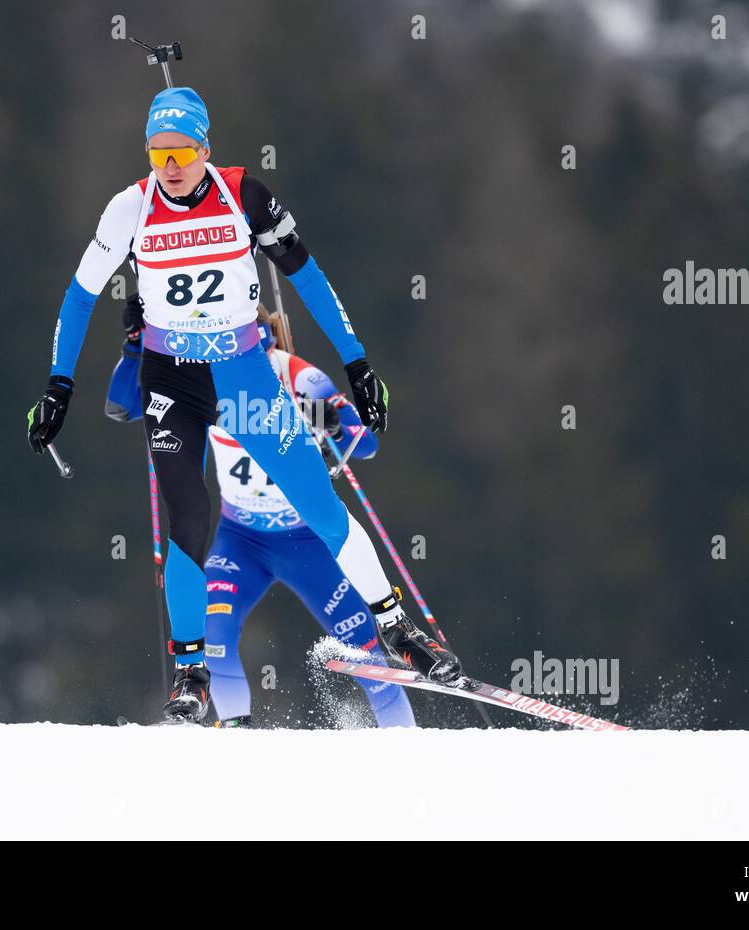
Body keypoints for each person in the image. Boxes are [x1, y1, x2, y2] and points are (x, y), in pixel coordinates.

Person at [27, 85, 460, 722]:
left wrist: (358, 362)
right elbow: (78, 297)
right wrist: (58, 385)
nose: (169, 165)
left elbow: (307, 275)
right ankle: (190, 674)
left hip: (242, 375)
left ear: (205, 148)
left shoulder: (244, 196)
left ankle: (396, 628)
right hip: (172, 378)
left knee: (320, 503)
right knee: (188, 519)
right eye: (156, 152)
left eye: (180, 150)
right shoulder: (129, 208)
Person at [105, 298, 416, 727]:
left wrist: (329, 421)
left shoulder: (293, 372)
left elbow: (366, 444)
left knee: (362, 647)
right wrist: (136, 346)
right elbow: (123, 406)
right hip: (242, 540)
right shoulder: (198, 371)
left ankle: (406, 741)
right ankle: (236, 735)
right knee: (213, 632)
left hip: (305, 539)